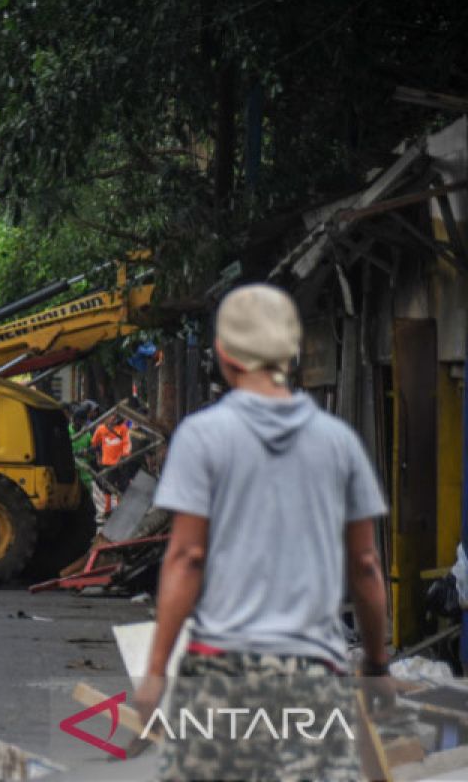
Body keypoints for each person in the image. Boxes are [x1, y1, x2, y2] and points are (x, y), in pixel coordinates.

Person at [134, 284, 389, 780]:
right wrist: (377, 664)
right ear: (291, 353)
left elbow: (187, 557)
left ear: (224, 355)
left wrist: (156, 671)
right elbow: (365, 565)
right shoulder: (339, 443)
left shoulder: (202, 436)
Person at [89, 411, 130, 517]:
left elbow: (126, 443)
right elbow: (94, 443)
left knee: (121, 485)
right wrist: (98, 455)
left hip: (121, 463)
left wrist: (124, 455)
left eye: (114, 416)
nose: (112, 418)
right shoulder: (101, 429)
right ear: (105, 418)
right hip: (107, 462)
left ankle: (119, 509)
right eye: (110, 416)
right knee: (108, 486)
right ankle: (107, 509)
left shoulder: (123, 428)